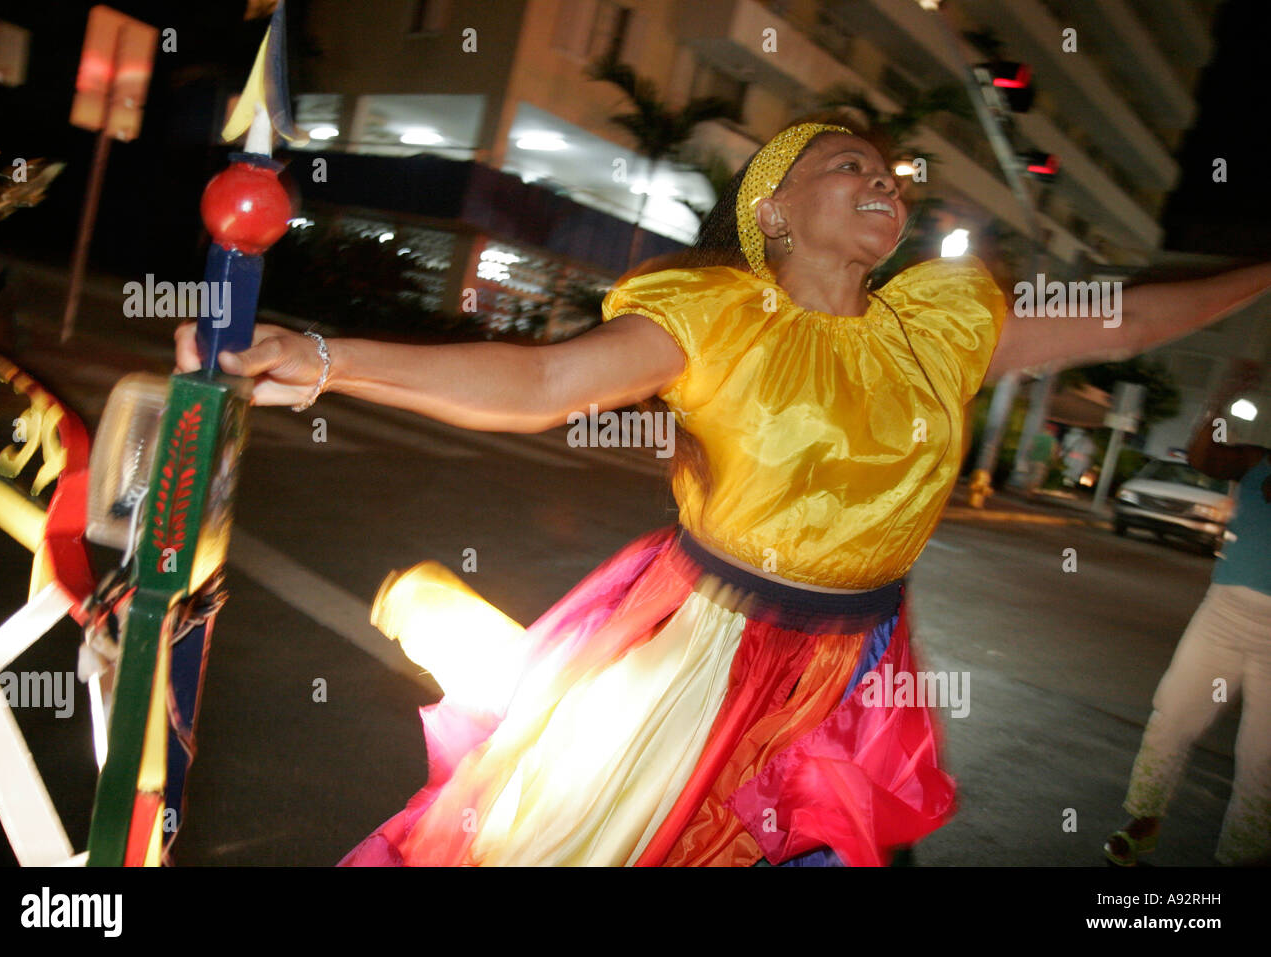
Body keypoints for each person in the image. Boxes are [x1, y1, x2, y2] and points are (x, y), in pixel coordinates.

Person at [177, 121, 1271, 866]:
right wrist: (326, 362)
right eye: (848, 164)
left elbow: (1126, 320)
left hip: (860, 658)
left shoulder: (939, 329)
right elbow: (543, 383)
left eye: (890, 171)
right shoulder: (719, 316)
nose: (885, 181)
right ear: (775, 210)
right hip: (711, 650)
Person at [1106, 364, 1270, 866]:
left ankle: (1241, 855)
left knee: (1261, 758)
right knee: (1172, 716)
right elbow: (1205, 457)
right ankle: (1142, 822)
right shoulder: (1257, 461)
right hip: (1223, 615)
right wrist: (1220, 399)